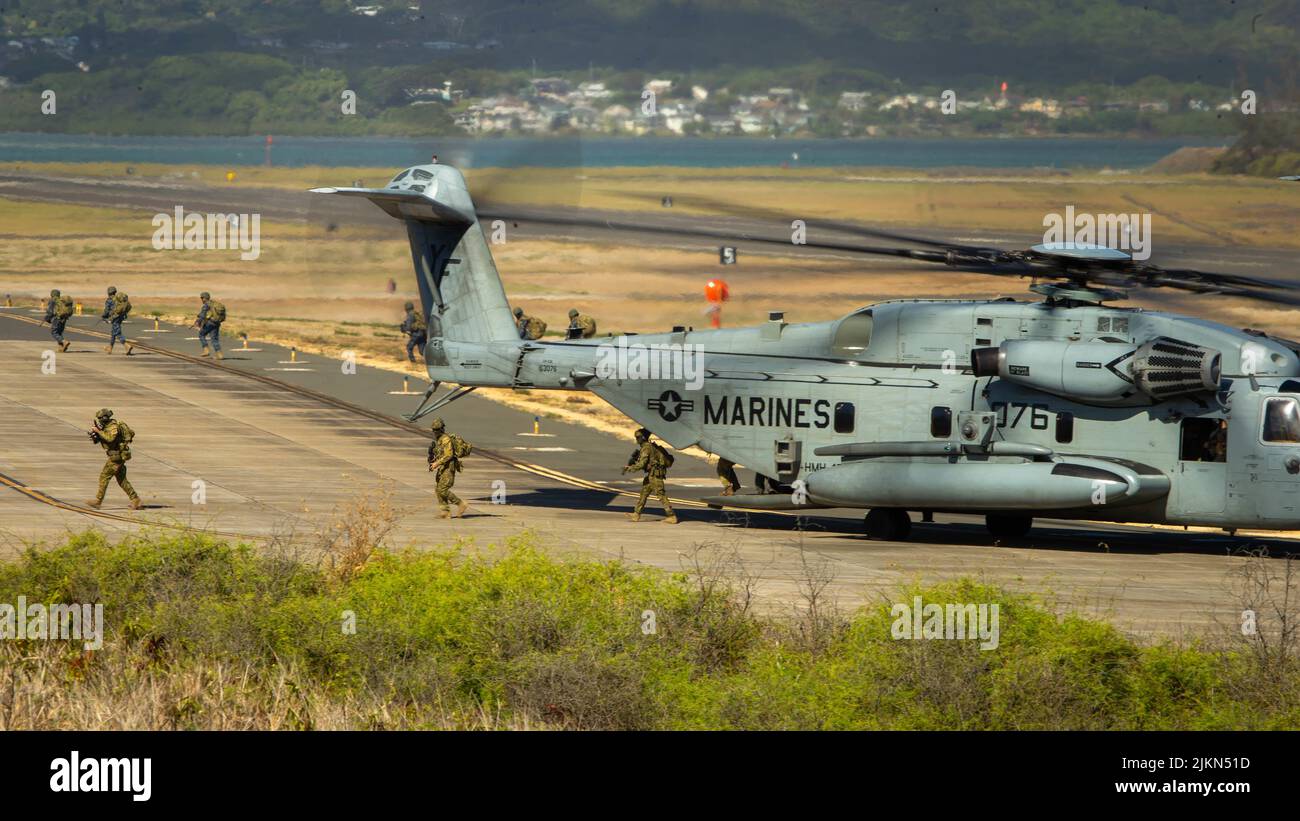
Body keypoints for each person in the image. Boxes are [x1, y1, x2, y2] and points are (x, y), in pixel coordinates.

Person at [86, 408, 141, 510]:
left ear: (105, 417)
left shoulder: (113, 427)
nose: (99, 420)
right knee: (122, 480)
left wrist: (98, 431)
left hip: (116, 457)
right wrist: (96, 436)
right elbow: (105, 439)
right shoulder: (107, 427)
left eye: (100, 418)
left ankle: (98, 501)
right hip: (116, 456)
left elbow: (110, 438)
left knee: (104, 477)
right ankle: (135, 499)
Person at [623, 428, 677, 523]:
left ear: (643, 438)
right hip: (651, 475)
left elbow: (642, 464)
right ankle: (636, 514)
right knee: (644, 493)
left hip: (655, 475)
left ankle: (672, 516)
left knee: (661, 495)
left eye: (638, 437)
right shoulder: (649, 446)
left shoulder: (646, 448)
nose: (637, 439)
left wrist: (630, 468)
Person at [427, 417, 469, 518]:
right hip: (443, 467)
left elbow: (449, 455)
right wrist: (433, 461)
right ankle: (445, 512)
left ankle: (460, 504)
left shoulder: (445, 439)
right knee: (438, 489)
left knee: (442, 489)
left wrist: (437, 463)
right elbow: (440, 454)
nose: (435, 432)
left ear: (441, 429)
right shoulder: (439, 439)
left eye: (437, 430)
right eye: (434, 430)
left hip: (449, 467)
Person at [195, 291, 226, 359]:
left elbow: (202, 315)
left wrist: (198, 322)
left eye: (202, 298)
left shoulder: (206, 305)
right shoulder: (213, 303)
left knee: (201, 334)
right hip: (217, 323)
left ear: (204, 298)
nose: (202, 300)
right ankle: (219, 354)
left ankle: (206, 350)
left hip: (210, 323)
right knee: (214, 339)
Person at [105, 289, 134, 355]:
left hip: (116, 317)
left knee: (117, 333)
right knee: (114, 332)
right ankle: (110, 348)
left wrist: (104, 316)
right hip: (121, 316)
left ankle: (127, 345)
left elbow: (107, 311)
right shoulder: (119, 298)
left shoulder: (111, 300)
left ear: (108, 293)